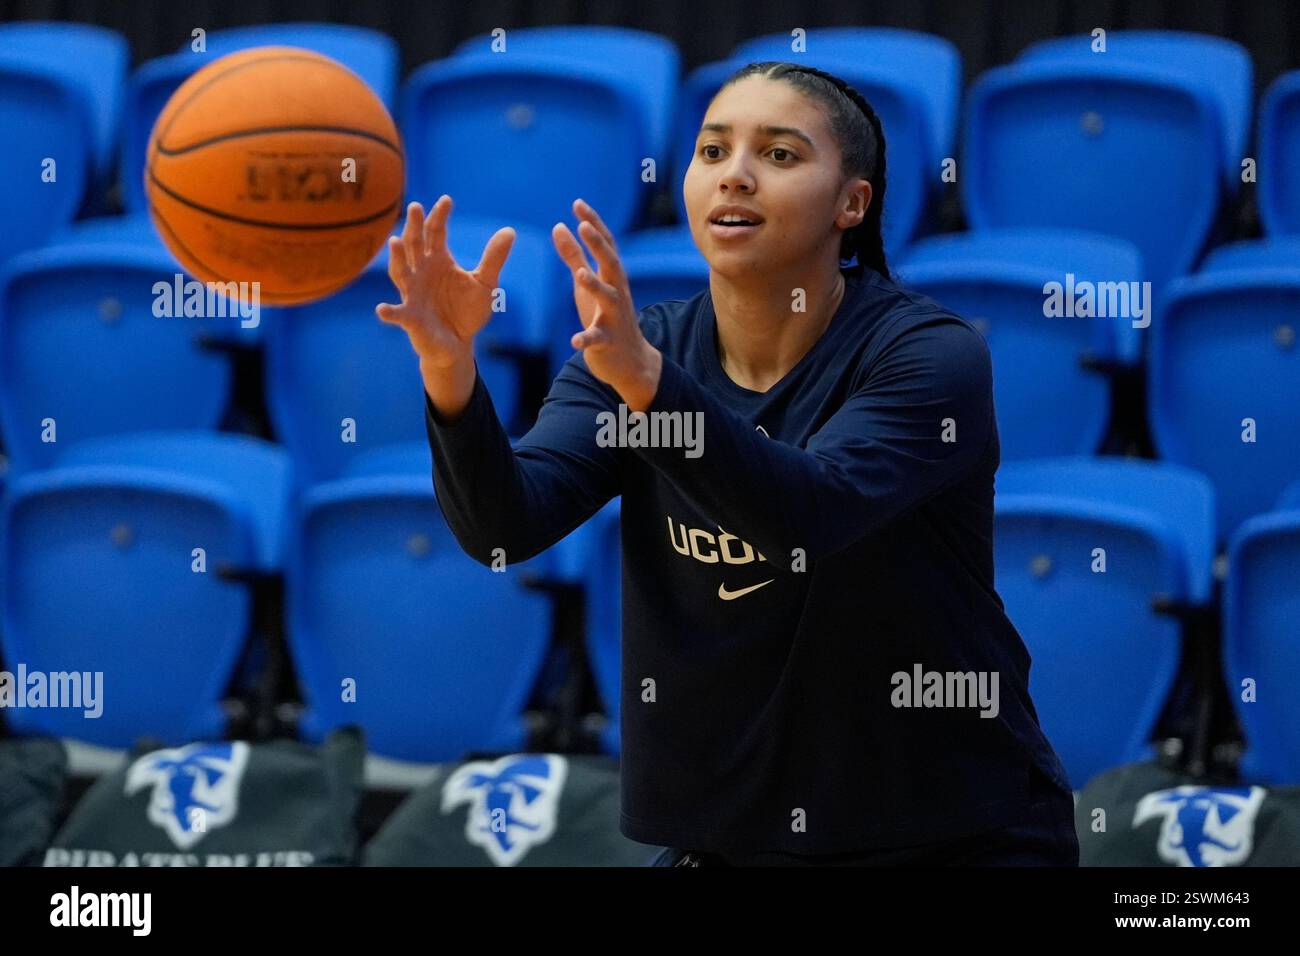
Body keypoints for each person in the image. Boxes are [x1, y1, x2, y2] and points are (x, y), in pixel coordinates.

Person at [377, 61, 1079, 866]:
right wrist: (449, 373)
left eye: (779, 155)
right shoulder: (638, 354)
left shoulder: (928, 356)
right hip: (734, 837)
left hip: (947, 836)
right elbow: (504, 525)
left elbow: (807, 518)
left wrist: (647, 387)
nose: (735, 176)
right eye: (712, 151)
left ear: (854, 202)